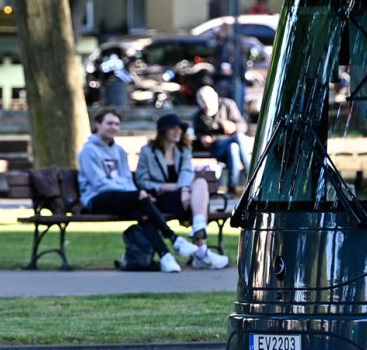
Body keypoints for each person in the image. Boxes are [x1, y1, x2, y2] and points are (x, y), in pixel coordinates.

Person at [77, 107, 189, 273]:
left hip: (123, 199)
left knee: (143, 213)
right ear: (98, 124)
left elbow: (128, 180)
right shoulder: (88, 151)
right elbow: (99, 184)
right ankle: (173, 238)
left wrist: (134, 195)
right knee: (140, 199)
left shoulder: (119, 151)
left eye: (117, 124)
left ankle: (166, 256)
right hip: (97, 199)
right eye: (109, 123)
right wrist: (134, 194)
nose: (113, 127)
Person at [134, 113, 230, 269]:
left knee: (200, 182)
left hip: (182, 199)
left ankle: (199, 229)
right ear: (163, 131)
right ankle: (202, 252)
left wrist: (184, 189)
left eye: (180, 128)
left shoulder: (183, 150)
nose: (178, 131)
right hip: (158, 199)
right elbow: (141, 180)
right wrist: (168, 187)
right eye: (173, 128)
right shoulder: (148, 151)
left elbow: (187, 172)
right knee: (197, 198)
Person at [192, 84, 252, 189]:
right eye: (204, 105)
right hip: (216, 147)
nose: (207, 108)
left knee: (234, 146)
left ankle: (232, 186)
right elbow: (197, 133)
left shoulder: (228, 104)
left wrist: (233, 127)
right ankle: (252, 174)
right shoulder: (199, 115)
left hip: (233, 143)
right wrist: (202, 138)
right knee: (238, 139)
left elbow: (243, 126)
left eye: (209, 104)